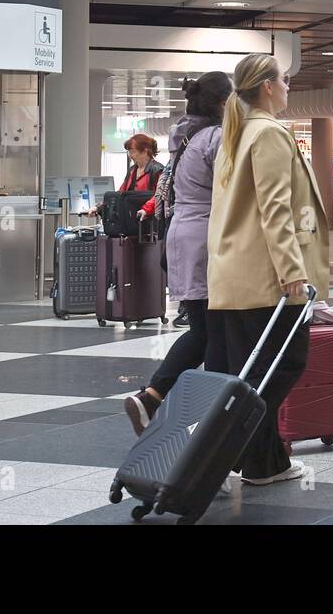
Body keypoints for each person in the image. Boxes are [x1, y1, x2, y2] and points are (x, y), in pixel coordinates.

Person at [206, 54, 328, 485]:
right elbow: (275, 209)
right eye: (285, 80)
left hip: (232, 273)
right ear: (269, 87)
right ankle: (218, 447)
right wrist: (292, 269)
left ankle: (265, 463)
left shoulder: (234, 135)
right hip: (267, 278)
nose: (289, 87)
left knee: (251, 371)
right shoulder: (268, 134)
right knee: (281, 366)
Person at [123, 72, 232, 435]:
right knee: (214, 331)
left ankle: (152, 397)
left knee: (203, 329)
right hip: (205, 236)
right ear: (222, 103)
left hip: (181, 234)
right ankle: (211, 420)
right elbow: (232, 189)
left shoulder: (183, 136)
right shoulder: (215, 138)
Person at [89, 134, 163, 218]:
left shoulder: (157, 170)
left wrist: (146, 209)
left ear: (145, 152)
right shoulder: (132, 171)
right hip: (131, 219)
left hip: (150, 220)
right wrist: (99, 208)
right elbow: (120, 193)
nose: (130, 155)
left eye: (133, 152)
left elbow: (159, 195)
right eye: (129, 152)